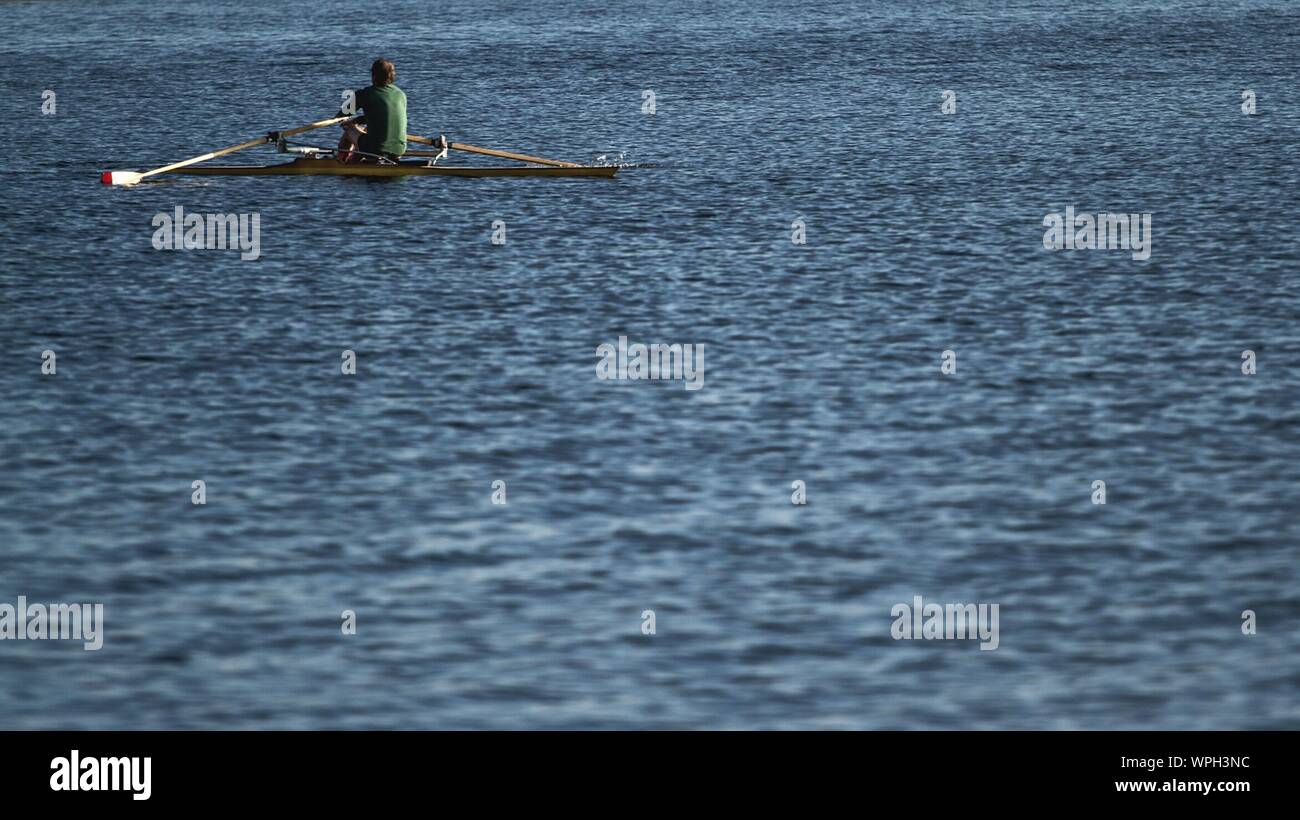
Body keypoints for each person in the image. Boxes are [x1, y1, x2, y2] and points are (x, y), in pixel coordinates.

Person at [337, 59, 407, 163]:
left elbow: (341, 116)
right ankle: (358, 158)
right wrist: (357, 120)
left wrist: (347, 122)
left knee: (349, 131)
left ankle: (342, 162)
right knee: (366, 130)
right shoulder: (401, 95)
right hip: (400, 149)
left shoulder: (365, 93)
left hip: (376, 148)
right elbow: (381, 116)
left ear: (373, 76)